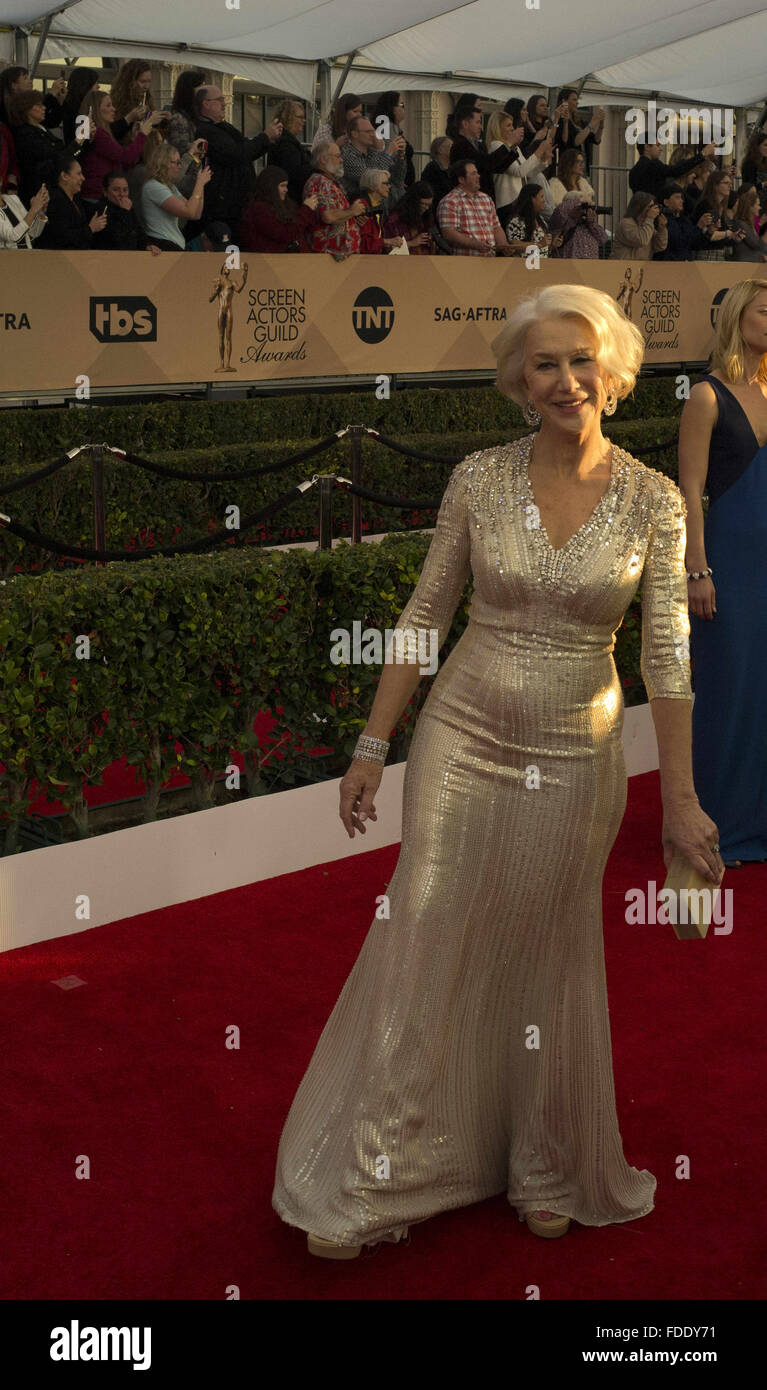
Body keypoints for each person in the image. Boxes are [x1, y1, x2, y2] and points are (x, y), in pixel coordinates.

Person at [272, 281, 722, 1258]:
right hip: (462, 732)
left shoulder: (651, 500)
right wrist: (369, 743)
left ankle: (544, 1161)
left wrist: (679, 800)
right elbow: (425, 615)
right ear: (518, 383)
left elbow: (667, 658)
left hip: (579, 750)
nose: (564, 380)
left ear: (610, 370)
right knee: (425, 922)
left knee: (547, 941)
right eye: (542, 365)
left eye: (579, 359)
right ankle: (377, 1169)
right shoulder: (478, 478)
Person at [678, 278, 767, 865]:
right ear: (740, 318)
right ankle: (717, 826)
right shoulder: (706, 396)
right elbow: (689, 490)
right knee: (728, 688)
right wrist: (697, 570)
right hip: (730, 563)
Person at [193, 85, 281, 241]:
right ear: (205, 104)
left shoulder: (224, 127)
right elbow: (236, 153)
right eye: (219, 100)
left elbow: (246, 149)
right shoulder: (206, 131)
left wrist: (269, 140)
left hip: (239, 204)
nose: (224, 103)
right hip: (223, 208)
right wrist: (265, 137)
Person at [77, 89, 160, 204]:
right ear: (96, 110)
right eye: (108, 106)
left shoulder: (103, 132)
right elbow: (125, 157)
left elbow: (121, 159)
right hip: (96, 197)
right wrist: (142, 134)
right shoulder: (97, 133)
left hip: (102, 194)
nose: (113, 109)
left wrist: (135, 138)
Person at [8, 89, 80, 208]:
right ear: (26, 108)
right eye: (38, 105)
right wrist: (78, 141)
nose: (44, 108)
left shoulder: (42, 128)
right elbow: (56, 157)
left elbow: (61, 153)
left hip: (53, 188)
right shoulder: (24, 134)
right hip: (37, 193)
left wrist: (80, 142)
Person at [140, 142, 211, 250]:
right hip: (162, 244)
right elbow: (189, 211)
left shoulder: (170, 187)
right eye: (177, 163)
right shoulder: (154, 187)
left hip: (173, 243)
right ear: (164, 163)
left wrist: (201, 186)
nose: (180, 166)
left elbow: (196, 214)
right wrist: (199, 183)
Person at [436, 159, 515, 256]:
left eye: (477, 173)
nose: (478, 176)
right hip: (464, 262)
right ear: (461, 179)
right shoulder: (450, 202)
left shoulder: (486, 199)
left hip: (489, 261)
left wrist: (503, 245)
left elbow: (496, 227)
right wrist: (474, 244)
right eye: (473, 174)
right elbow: (449, 233)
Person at [302, 140, 365, 259]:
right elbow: (328, 216)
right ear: (323, 159)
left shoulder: (330, 182)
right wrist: (352, 211)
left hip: (338, 257)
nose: (341, 160)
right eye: (337, 156)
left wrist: (352, 217)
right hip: (327, 256)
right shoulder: (320, 182)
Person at [486, 109, 547, 227]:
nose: (512, 128)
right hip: (507, 203)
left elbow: (527, 173)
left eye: (512, 125)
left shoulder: (515, 147)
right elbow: (519, 171)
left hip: (518, 202)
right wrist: (539, 151)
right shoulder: (496, 146)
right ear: (498, 127)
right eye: (508, 125)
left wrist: (543, 161)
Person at [449, 102, 520, 202]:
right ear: (465, 124)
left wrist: (512, 149)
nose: (481, 127)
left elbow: (496, 167)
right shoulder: (460, 146)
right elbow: (486, 163)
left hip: (484, 198)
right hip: (468, 200)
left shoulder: (479, 145)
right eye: (477, 122)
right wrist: (508, 143)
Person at [239, 165, 320, 252]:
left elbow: (302, 229)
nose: (286, 190)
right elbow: (285, 234)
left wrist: (311, 211)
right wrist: (306, 209)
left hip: (294, 258)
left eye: (286, 186)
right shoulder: (259, 209)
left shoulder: (287, 204)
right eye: (282, 186)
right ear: (271, 186)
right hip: (269, 260)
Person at [35, 152, 107, 247]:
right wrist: (90, 229)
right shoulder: (55, 200)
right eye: (79, 174)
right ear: (64, 176)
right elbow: (61, 237)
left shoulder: (75, 199)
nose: (83, 178)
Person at [341, 115, 405, 212]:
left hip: (384, 207)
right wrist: (388, 153)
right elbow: (372, 180)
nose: (373, 134)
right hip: (362, 211)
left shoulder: (372, 152)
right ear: (354, 134)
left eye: (373, 131)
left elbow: (398, 179)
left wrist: (401, 157)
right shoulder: (348, 157)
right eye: (368, 132)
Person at [91, 170, 161, 252]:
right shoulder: (100, 210)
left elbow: (138, 230)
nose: (122, 194)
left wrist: (146, 245)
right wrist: (124, 212)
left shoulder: (127, 207)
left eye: (125, 190)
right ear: (105, 191)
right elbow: (117, 239)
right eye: (116, 190)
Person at [629, 139, 716, 200]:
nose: (661, 149)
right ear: (647, 147)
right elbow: (675, 170)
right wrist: (702, 154)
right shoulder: (653, 164)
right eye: (657, 145)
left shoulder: (634, 170)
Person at [690, 170, 745, 261]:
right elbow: (709, 234)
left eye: (730, 183)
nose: (729, 186)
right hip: (706, 253)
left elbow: (721, 235)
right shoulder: (706, 205)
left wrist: (734, 237)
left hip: (719, 253)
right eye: (726, 183)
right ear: (715, 186)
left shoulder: (721, 207)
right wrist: (728, 233)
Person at [267, 99, 313, 204]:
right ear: (288, 118)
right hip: (290, 199)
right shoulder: (286, 144)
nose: (304, 121)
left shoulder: (286, 141)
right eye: (300, 117)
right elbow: (295, 174)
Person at [655, 182, 714, 261]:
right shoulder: (663, 220)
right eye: (677, 197)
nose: (681, 201)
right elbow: (678, 243)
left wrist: (708, 233)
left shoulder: (685, 220)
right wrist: (698, 226)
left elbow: (695, 245)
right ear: (666, 202)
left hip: (685, 265)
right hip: (668, 265)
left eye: (681, 198)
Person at [552, 88, 604, 176]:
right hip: (570, 166)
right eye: (574, 100)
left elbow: (596, 139)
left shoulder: (579, 121)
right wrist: (592, 123)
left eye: (577, 100)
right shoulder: (560, 121)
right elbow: (575, 142)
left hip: (582, 166)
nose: (577, 103)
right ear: (564, 101)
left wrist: (601, 126)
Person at [0, 65, 66, 133]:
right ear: (13, 85)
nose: (30, 81)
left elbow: (52, 122)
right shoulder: (8, 109)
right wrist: (52, 94)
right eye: (25, 78)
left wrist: (60, 101)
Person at [353, 168, 404, 253]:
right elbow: (363, 243)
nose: (389, 186)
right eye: (386, 183)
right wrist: (387, 241)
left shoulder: (377, 205)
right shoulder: (361, 206)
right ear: (374, 185)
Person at [383, 181, 442, 254]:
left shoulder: (426, 217)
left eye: (428, 205)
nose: (426, 208)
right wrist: (412, 243)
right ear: (413, 201)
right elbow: (388, 247)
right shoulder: (395, 218)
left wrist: (431, 241)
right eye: (423, 204)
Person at [504, 183, 560, 256]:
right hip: (523, 265)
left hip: (543, 264)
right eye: (541, 197)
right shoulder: (516, 221)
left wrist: (553, 244)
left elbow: (544, 247)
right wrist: (539, 244)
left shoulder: (540, 219)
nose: (544, 201)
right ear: (532, 199)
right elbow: (515, 245)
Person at [372, 92, 415, 188]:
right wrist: (393, 180)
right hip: (392, 186)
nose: (404, 108)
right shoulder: (388, 128)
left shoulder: (392, 128)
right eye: (401, 105)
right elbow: (389, 156)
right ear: (392, 109)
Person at [165, 67, 208, 158]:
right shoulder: (178, 118)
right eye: (200, 86)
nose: (204, 91)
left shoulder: (197, 114)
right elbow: (180, 147)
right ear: (189, 89)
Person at [612, 191, 668, 259]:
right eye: (650, 206)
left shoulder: (646, 225)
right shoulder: (626, 223)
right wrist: (650, 218)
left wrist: (661, 230)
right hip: (622, 267)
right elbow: (641, 241)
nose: (652, 209)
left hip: (640, 268)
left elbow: (660, 246)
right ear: (639, 206)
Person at [549, 192, 606, 258]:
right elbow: (558, 234)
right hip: (569, 265)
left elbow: (603, 239)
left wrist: (591, 223)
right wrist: (573, 217)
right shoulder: (561, 221)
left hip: (591, 265)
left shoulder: (589, 224)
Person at [0, 169, 47, 247]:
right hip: (7, 258)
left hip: (27, 256)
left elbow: (33, 233)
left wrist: (40, 210)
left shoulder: (13, 199)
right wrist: (33, 210)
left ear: (0, 181)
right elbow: (12, 236)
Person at [727, 185, 767, 262]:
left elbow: (761, 249)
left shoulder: (749, 225)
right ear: (750, 207)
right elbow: (756, 245)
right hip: (743, 267)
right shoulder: (741, 224)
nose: (760, 208)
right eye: (758, 205)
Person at [110, 60, 155, 126]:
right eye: (142, 81)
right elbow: (113, 130)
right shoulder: (115, 103)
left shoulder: (147, 99)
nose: (146, 86)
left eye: (149, 81)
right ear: (130, 81)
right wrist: (130, 119)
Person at [421, 136, 453, 206]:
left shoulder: (453, 169)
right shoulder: (432, 169)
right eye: (450, 146)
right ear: (440, 150)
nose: (453, 149)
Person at [740, 129, 767, 198]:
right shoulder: (749, 164)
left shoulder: (764, 162)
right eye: (765, 145)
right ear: (757, 147)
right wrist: (764, 184)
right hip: (754, 201)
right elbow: (748, 187)